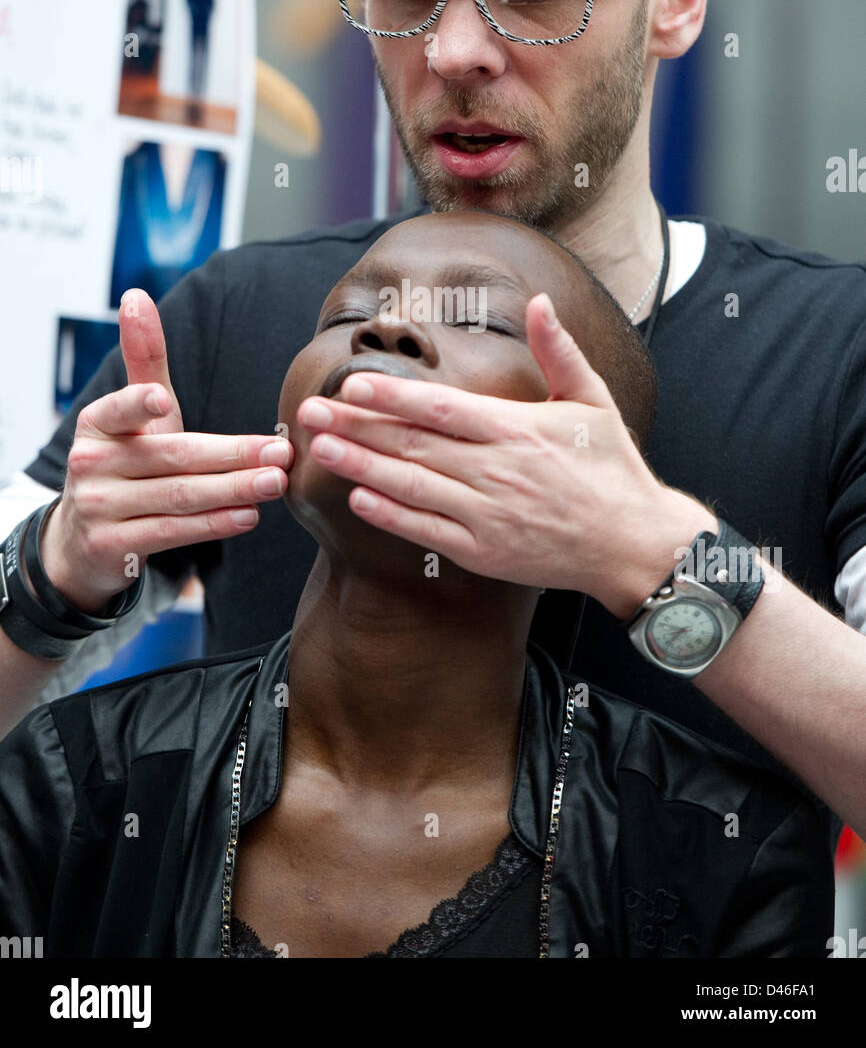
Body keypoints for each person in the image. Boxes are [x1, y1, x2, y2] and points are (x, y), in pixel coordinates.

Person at [1, 0, 865, 850]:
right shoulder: (243, 322)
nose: (455, 47)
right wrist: (56, 574)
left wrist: (652, 561)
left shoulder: (825, 353)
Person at [0, 213, 833, 959]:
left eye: (481, 320)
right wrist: (56, 561)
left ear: (596, 463)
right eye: (350, 316)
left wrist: (661, 549)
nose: (391, 327)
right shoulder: (71, 783)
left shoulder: (725, 850)